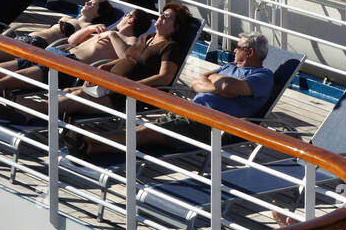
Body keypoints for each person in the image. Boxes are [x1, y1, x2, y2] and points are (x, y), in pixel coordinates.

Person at [73, 31, 274, 155]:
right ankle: (89, 146)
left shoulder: (262, 76)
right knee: (146, 130)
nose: (233, 51)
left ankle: (86, 139)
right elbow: (197, 81)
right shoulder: (230, 67)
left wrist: (215, 82)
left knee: (147, 133)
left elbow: (227, 88)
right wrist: (215, 84)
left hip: (211, 125)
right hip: (190, 112)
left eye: (237, 47)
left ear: (250, 53)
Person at [0, 8, 154, 104]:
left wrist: (111, 35)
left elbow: (127, 58)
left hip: (68, 66)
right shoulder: (104, 31)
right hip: (56, 53)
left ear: (130, 20)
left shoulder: (130, 42)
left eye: (126, 16)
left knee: (4, 81)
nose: (122, 18)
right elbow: (73, 41)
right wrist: (90, 30)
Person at [59, 2, 194, 115]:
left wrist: (133, 87)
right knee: (68, 91)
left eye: (167, 16)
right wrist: (103, 68)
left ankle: (40, 111)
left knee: (76, 98)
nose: (161, 17)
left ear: (176, 27)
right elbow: (128, 59)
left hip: (124, 97)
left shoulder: (170, 47)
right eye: (162, 14)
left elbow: (165, 77)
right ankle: (44, 112)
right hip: (110, 85)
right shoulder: (147, 38)